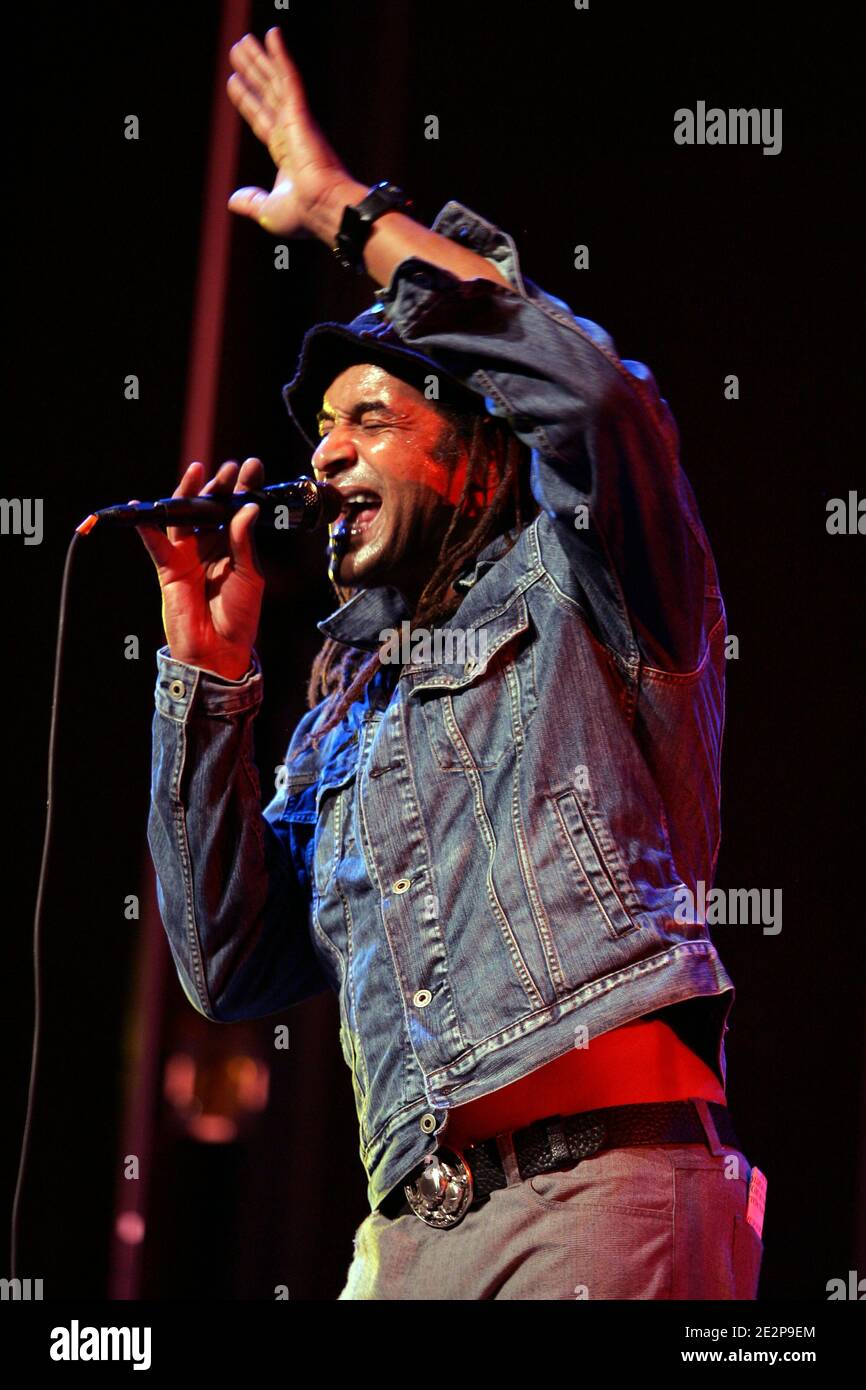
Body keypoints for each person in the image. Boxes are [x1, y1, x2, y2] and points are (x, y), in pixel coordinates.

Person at [137, 27, 766, 1299]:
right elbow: (224, 967)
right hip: (409, 1232)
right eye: (320, 432)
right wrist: (208, 684)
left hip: (596, 1196)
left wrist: (347, 213)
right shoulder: (341, 709)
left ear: (476, 452)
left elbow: (593, 404)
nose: (324, 457)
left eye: (372, 420)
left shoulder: (582, 572)